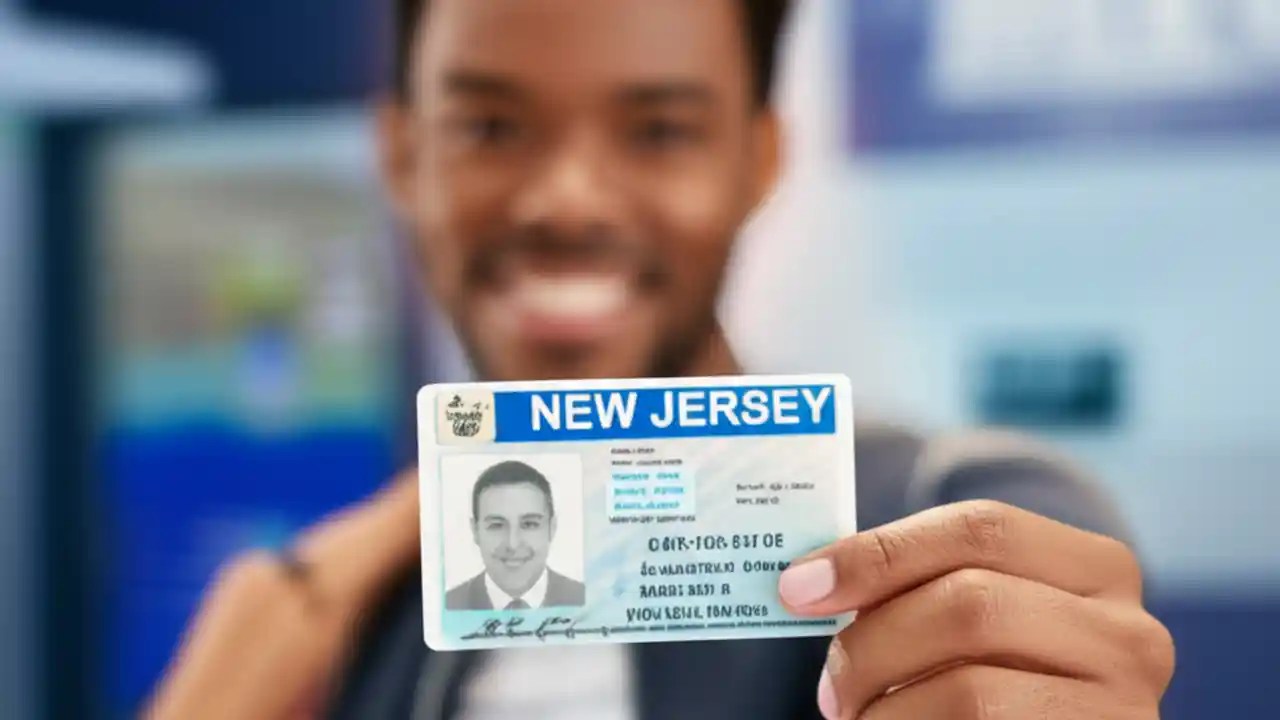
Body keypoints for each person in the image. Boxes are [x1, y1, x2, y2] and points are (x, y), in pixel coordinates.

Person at [145, 1, 1175, 718]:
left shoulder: (952, 522)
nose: (567, 200)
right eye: (491, 124)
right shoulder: (343, 627)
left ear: (757, 160)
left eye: (657, 131)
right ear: (401, 155)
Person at [445, 460, 585, 611]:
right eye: (497, 525)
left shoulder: (588, 600)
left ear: (552, 528)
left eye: (529, 524)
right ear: (475, 531)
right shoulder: (446, 607)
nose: (513, 544)